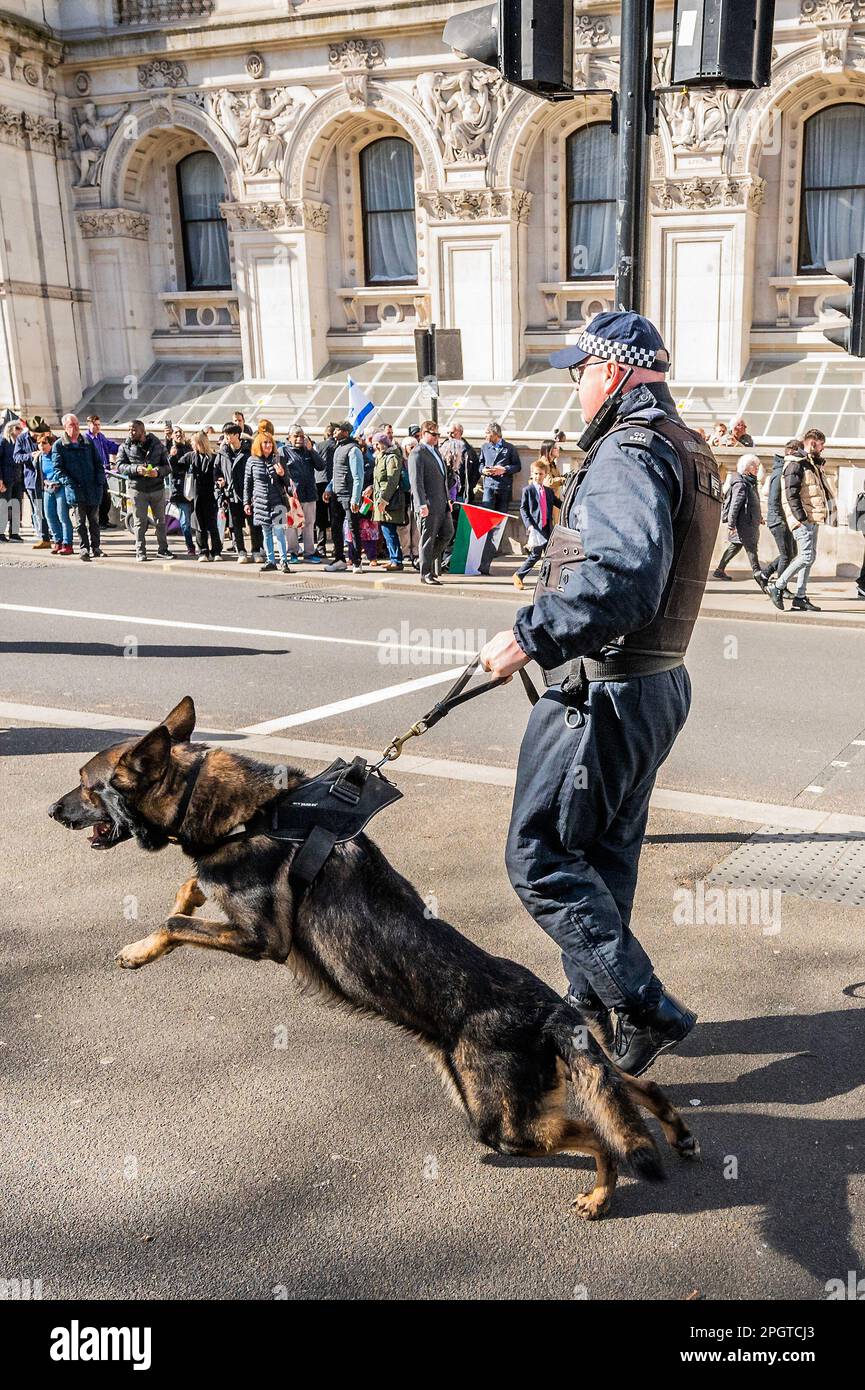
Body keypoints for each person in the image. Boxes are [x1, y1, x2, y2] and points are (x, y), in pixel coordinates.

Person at [479, 310, 721, 1077]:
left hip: (603, 691)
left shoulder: (627, 449)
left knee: (540, 856)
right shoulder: (683, 444)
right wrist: (547, 582)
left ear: (612, 373)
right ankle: (598, 1017)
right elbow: (611, 562)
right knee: (601, 858)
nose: (574, 384)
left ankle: (641, 1005)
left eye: (579, 370)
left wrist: (532, 633)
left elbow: (620, 580)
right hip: (652, 685)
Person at [768, 436, 834, 613]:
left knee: (809, 557)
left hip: (812, 518)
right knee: (805, 556)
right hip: (803, 519)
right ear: (813, 443)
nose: (823, 448)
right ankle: (777, 585)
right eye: (821, 445)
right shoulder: (796, 463)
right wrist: (801, 517)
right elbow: (791, 494)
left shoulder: (809, 463)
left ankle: (800, 597)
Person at [50, 413, 105, 560]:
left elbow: (98, 463)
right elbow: (58, 469)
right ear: (65, 427)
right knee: (80, 522)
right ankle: (84, 548)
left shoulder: (87, 442)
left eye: (76, 425)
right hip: (75, 489)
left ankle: (96, 547)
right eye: (71, 425)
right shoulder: (59, 445)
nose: (75, 428)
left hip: (92, 487)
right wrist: (70, 483)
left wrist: (100, 481)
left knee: (94, 520)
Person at [115, 419, 172, 562]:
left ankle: (163, 549)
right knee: (140, 522)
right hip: (137, 489)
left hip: (156, 488)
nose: (130, 432)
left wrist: (157, 472)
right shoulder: (125, 446)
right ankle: (140, 551)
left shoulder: (157, 444)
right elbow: (120, 466)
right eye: (129, 429)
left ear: (142, 431)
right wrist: (136, 469)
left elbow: (168, 467)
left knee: (160, 521)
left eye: (133, 429)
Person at [408, 419, 453, 586]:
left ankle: (423, 562)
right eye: (433, 434)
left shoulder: (436, 452)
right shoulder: (417, 453)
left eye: (437, 434)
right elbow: (416, 481)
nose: (436, 437)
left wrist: (448, 499)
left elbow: (443, 479)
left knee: (448, 532)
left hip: (441, 502)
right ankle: (425, 572)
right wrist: (421, 504)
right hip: (428, 503)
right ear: (424, 433)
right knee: (428, 538)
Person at [712, 455, 766, 591]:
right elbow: (735, 505)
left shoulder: (750, 482)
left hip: (748, 521)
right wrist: (731, 524)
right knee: (751, 547)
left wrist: (759, 517)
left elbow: (753, 503)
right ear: (747, 469)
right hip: (744, 523)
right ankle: (758, 573)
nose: (757, 469)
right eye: (755, 466)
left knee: (735, 546)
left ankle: (720, 569)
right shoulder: (741, 484)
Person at [244, 431, 291, 572]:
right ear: (259, 444)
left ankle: (284, 561)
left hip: (278, 501)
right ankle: (271, 560)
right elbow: (248, 483)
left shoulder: (279, 459)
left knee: (280, 532)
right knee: (266, 533)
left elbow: (288, 483)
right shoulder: (252, 461)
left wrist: (282, 474)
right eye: (265, 442)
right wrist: (246, 502)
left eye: (270, 442)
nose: (269, 445)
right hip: (260, 502)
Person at [215, 423, 260, 563]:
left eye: (230, 434)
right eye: (225, 434)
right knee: (236, 526)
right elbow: (217, 471)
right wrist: (220, 481)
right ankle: (241, 551)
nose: (227, 437)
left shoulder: (249, 451)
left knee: (253, 525)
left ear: (237, 435)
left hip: (249, 494)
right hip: (232, 494)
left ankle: (257, 551)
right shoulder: (223, 453)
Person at [324, 421, 364, 573]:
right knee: (335, 527)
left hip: (348, 495)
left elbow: (358, 476)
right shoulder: (338, 448)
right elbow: (336, 474)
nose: (334, 431)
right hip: (336, 494)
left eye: (338, 429)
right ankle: (339, 559)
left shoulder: (354, 450)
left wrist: (355, 498)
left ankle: (356, 561)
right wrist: (329, 489)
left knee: (353, 528)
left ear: (346, 432)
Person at [514, 459, 558, 591]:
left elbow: (558, 503)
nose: (538, 476)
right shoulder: (528, 490)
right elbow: (523, 509)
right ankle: (518, 575)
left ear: (545, 475)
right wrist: (529, 524)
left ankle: (547, 581)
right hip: (536, 528)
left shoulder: (549, 491)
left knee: (550, 555)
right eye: (536, 474)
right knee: (535, 555)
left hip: (547, 527)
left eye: (541, 474)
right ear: (532, 474)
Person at [281, 424, 323, 564]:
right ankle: (293, 552)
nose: (299, 438)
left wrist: (311, 451)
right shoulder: (283, 451)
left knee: (309, 524)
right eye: (296, 436)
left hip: (310, 493)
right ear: (289, 438)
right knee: (292, 525)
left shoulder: (308, 451)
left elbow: (321, 466)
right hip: (293, 496)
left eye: (301, 435)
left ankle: (309, 552)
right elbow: (279, 472)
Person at [180, 430, 224, 562]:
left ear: (199, 443)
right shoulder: (190, 456)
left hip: (211, 495)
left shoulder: (214, 457)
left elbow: (219, 473)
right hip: (196, 496)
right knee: (199, 525)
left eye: (193, 442)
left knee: (212, 525)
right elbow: (177, 467)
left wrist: (220, 481)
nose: (192, 445)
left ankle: (216, 551)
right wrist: (173, 455)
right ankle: (203, 551)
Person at [760, 447, 796, 586]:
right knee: (786, 555)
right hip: (778, 520)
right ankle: (779, 587)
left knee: (791, 553)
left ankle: (766, 573)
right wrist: (782, 518)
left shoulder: (783, 470)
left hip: (782, 519)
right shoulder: (780, 472)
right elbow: (775, 499)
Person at [15, 415, 52, 547]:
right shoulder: (21, 439)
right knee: (38, 509)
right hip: (32, 479)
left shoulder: (48, 435)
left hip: (48, 479)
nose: (38, 437)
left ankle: (52, 534)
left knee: (50, 509)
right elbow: (17, 457)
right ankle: (44, 537)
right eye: (36, 433)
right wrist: (31, 455)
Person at [372, 430, 407, 571]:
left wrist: (384, 500)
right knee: (387, 531)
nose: (375, 447)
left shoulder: (392, 457)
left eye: (377, 444)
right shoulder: (381, 457)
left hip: (389, 501)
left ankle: (396, 561)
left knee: (389, 530)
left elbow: (392, 480)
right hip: (382, 499)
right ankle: (394, 559)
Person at [39, 431, 73, 555]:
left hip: (60, 488)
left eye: (44, 443)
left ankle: (67, 543)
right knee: (49, 515)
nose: (41, 446)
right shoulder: (40, 457)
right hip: (48, 489)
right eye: (39, 444)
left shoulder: (57, 454)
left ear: (51, 444)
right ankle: (57, 541)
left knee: (63, 516)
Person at [479, 421, 521, 512]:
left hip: (504, 487)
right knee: (486, 512)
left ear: (495, 434)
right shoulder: (484, 447)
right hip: (489, 486)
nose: (485, 436)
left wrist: (504, 469)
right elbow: (480, 464)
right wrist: (483, 470)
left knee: (501, 515)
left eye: (487, 433)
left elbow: (517, 466)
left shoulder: (510, 448)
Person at [85, 414, 119, 528]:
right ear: (89, 425)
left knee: (106, 497)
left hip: (103, 473)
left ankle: (104, 520)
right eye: (95, 425)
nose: (98, 427)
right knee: (97, 498)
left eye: (99, 425)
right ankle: (97, 522)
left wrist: (123, 448)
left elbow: (111, 446)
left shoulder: (100, 437)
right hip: (92, 473)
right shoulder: (86, 439)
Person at [441, 423, 480, 502]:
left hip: (462, 491)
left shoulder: (469, 451)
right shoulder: (442, 448)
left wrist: (470, 486)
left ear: (460, 433)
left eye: (452, 433)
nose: (450, 435)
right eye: (448, 433)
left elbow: (476, 470)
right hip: (446, 489)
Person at [0, 419, 24, 540]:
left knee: (16, 505)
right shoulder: (3, 441)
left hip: (18, 478)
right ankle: (0, 532)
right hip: (6, 478)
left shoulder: (19, 442)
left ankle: (14, 532)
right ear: (11, 429)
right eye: (18, 428)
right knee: (4, 505)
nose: (21, 430)